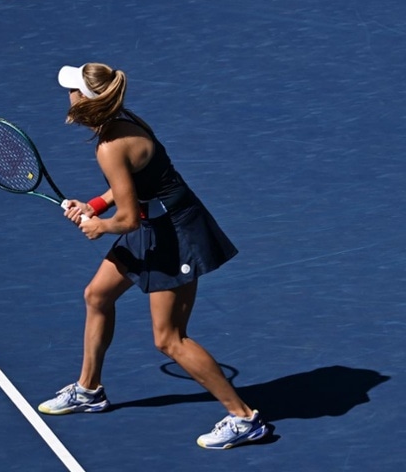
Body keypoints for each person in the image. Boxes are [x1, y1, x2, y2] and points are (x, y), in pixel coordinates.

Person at [36, 62, 268, 451]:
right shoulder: (123, 123)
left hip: (174, 235)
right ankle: (89, 390)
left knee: (169, 339)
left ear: (87, 103)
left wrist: (99, 226)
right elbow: (128, 186)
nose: (68, 95)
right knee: (97, 295)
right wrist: (94, 205)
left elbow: (125, 219)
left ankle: (245, 418)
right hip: (153, 225)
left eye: (73, 89)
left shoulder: (110, 147)